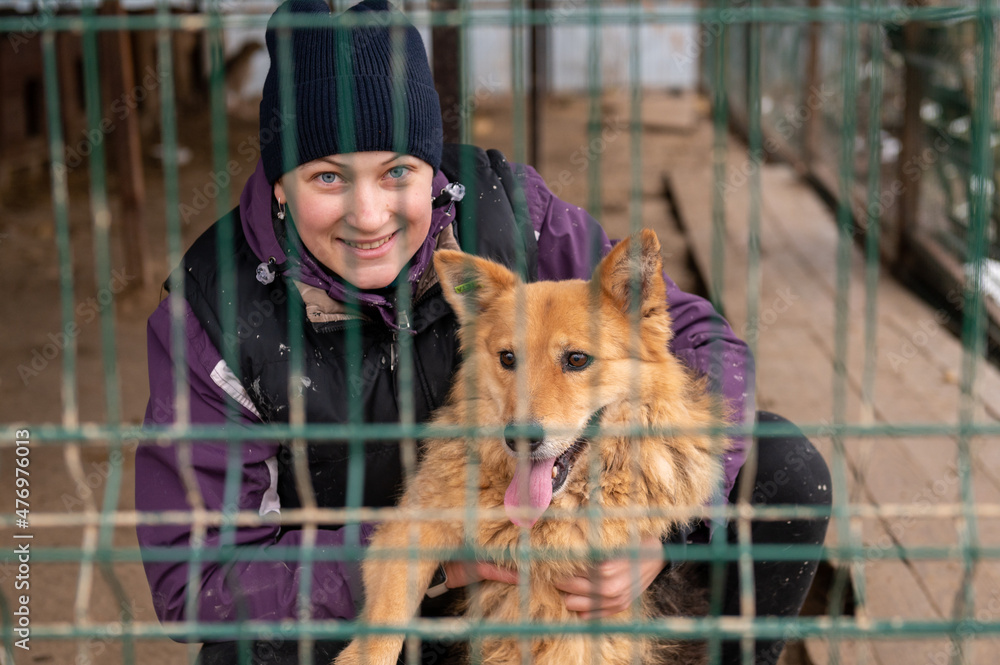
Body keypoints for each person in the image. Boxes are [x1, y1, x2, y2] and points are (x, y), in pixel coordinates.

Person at [135, 1, 831, 663]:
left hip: (551, 584)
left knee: (784, 468)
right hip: (374, 609)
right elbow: (196, 582)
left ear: (431, 170)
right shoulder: (214, 312)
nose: (369, 215)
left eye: (397, 171)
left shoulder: (508, 213)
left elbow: (705, 342)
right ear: (280, 184)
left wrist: (664, 539)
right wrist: (434, 551)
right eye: (327, 177)